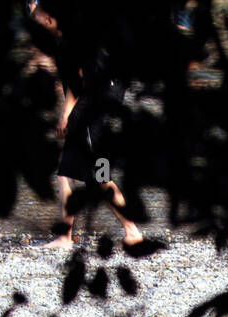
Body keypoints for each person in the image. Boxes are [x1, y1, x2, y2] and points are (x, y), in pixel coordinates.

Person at [28, 0, 144, 248]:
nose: (33, 23)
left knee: (99, 175)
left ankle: (132, 230)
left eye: (35, 17)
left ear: (48, 18)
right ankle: (65, 236)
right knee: (65, 172)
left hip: (97, 101)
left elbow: (78, 78)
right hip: (96, 99)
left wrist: (66, 113)